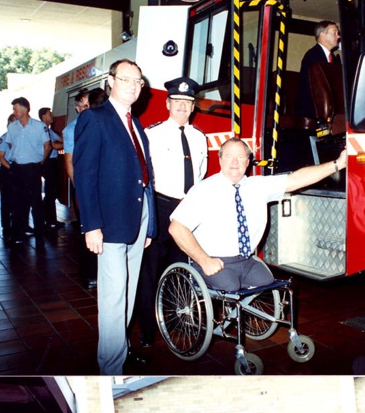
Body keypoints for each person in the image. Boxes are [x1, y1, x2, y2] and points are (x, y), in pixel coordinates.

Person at [169, 137, 347, 291]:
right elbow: (176, 228)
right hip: (214, 260)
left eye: (240, 157)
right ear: (220, 159)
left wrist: (338, 164)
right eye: (229, 156)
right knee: (230, 285)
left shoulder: (258, 186)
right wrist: (204, 260)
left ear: (248, 162)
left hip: (245, 260)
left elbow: (296, 179)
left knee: (266, 280)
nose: (234, 162)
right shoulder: (203, 190)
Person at [73, 58, 157, 375]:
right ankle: (110, 368)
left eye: (138, 81)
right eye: (126, 79)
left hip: (138, 216)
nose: (134, 86)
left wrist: (150, 224)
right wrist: (91, 225)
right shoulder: (94, 119)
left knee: (128, 292)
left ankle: (118, 352)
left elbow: (145, 176)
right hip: (109, 220)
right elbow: (85, 176)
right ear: (110, 81)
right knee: (113, 296)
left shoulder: (136, 124)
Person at [137, 77, 208, 347]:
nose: (182, 106)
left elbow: (200, 174)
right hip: (160, 205)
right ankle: (147, 328)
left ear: (193, 106)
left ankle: (182, 317)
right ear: (167, 104)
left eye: (188, 102)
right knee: (150, 270)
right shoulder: (152, 134)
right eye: (177, 101)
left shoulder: (199, 138)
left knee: (184, 266)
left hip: (187, 209)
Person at [6, 96, 51, 245]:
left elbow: (47, 146)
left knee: (35, 202)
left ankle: (40, 233)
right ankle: (17, 234)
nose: (14, 112)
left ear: (24, 109)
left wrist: (40, 162)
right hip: (17, 168)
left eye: (15, 109)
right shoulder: (12, 127)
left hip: (33, 168)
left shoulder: (39, 126)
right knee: (17, 202)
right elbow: (11, 145)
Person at [296, 20, 341, 118]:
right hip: (313, 110)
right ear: (323, 35)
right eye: (334, 33)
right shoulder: (312, 56)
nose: (338, 36)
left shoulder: (334, 59)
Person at [38, 107, 64, 231]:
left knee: (52, 191)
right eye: (50, 114)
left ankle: (49, 218)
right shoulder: (43, 129)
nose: (52, 116)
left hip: (52, 162)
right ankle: (48, 219)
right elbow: (54, 145)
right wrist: (70, 143)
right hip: (48, 162)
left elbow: (60, 140)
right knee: (51, 191)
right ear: (43, 116)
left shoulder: (48, 130)